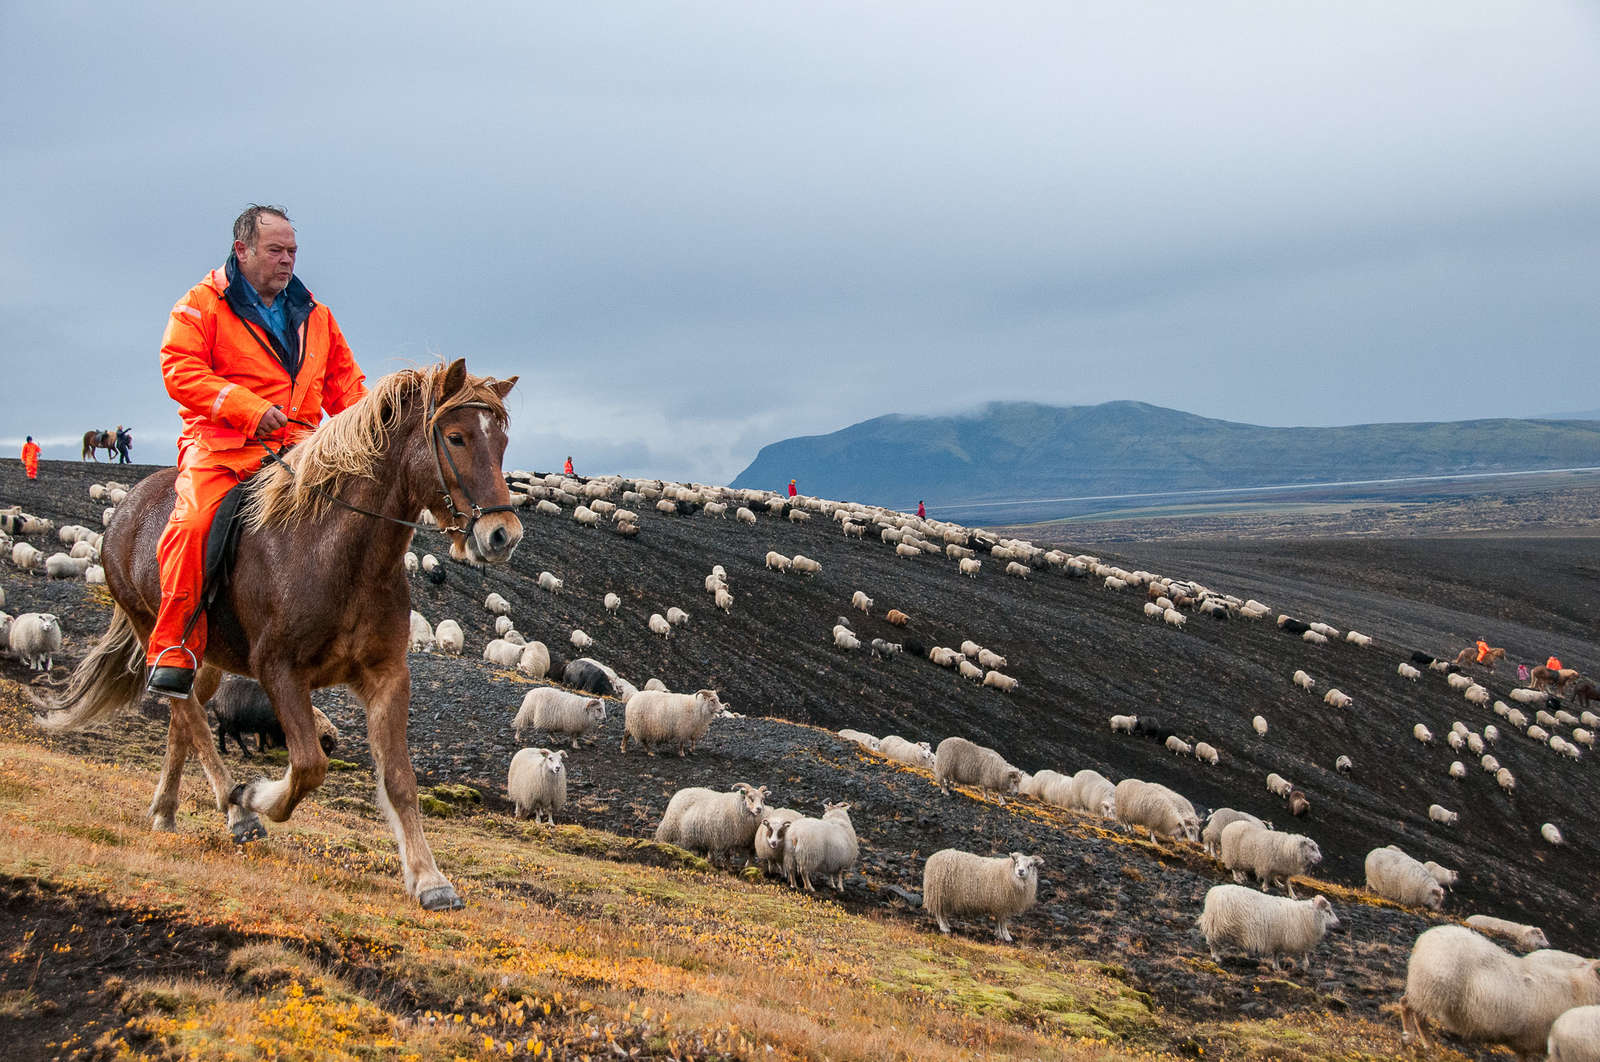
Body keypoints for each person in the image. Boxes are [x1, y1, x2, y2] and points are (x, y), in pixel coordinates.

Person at [144, 204, 366, 698]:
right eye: (276, 250)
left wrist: (378, 428)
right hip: (223, 447)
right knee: (194, 524)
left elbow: (347, 389)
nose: (287, 260)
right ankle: (174, 647)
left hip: (301, 449)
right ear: (242, 250)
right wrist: (247, 409)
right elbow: (180, 370)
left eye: (292, 251)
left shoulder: (317, 315)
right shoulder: (199, 305)